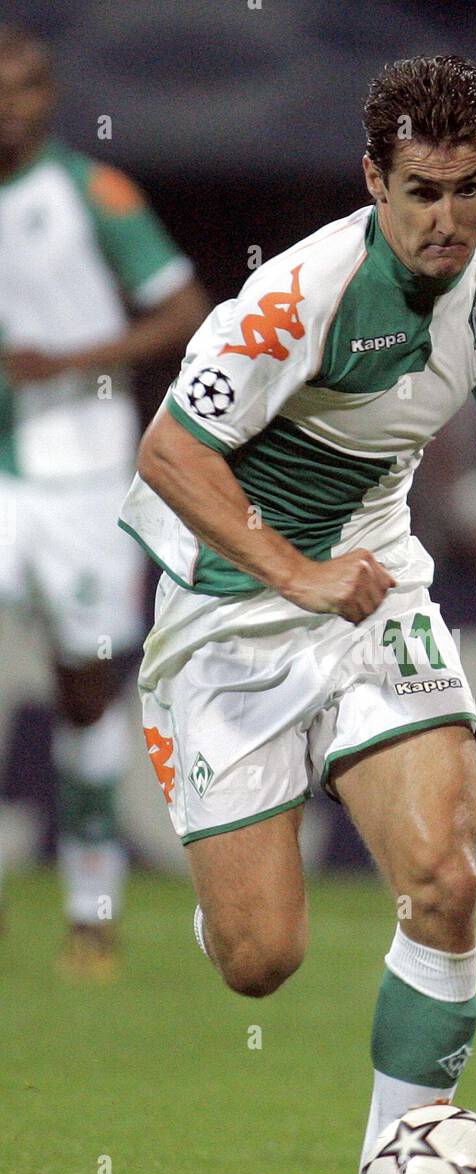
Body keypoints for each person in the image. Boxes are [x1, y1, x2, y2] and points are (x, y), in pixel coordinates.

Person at [119, 55, 476, 1174]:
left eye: (470, 188)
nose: (447, 219)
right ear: (373, 180)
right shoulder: (298, 295)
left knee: (446, 882)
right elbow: (168, 456)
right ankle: (224, 873)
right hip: (231, 617)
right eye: (421, 191)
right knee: (259, 959)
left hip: (378, 589)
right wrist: (298, 574)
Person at [0, 26, 209, 978]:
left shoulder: (94, 194)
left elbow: (185, 308)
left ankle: (92, 905)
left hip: (82, 477)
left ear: (49, 97)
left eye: (28, 86)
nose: (12, 103)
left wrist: (72, 360)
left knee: (85, 687)